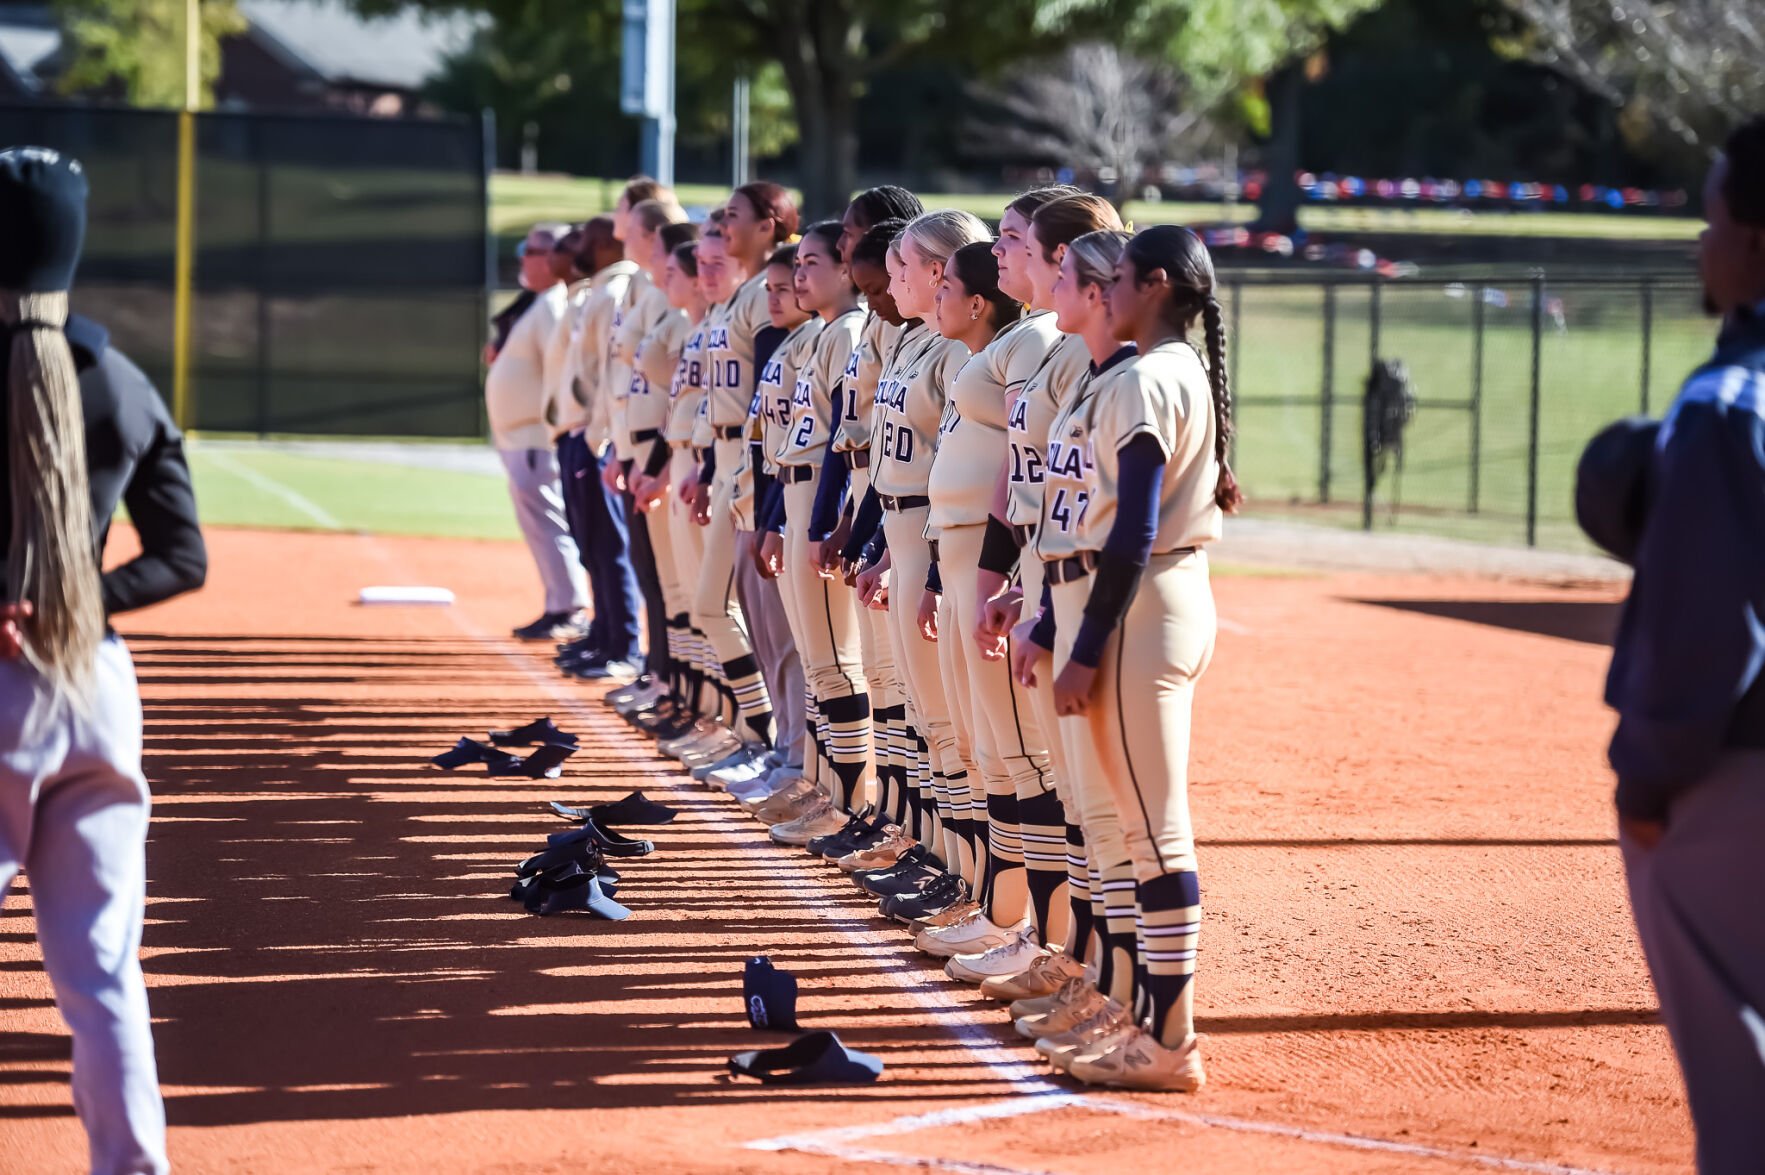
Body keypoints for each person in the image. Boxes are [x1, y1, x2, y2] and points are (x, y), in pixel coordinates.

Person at [0, 145, 207, 1175]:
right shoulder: (120, 379)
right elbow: (183, 557)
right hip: (96, 688)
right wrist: (70, 606)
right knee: (102, 972)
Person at [1014, 223, 1239, 1091]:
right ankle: (1138, 1017)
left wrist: (1085, 644)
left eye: (1112, 279)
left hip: (1138, 610)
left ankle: (1170, 1041)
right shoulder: (1144, 371)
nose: (1100, 292)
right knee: (1129, 824)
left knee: (1152, 830)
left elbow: (1135, 528)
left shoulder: (1149, 375)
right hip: (1129, 605)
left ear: (1150, 284)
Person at [1588, 115, 1765, 1174]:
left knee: (1742, 1103)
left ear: (1752, 244)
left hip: (1735, 784)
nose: (1701, 245)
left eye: (1711, 221)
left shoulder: (1727, 400)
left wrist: (1643, 778)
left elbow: (1703, 627)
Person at [486, 221, 589, 640]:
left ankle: (569, 607)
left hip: (534, 437)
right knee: (539, 521)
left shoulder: (552, 305)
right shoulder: (540, 302)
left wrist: (550, 426)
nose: (522, 257)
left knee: (548, 522)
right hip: (521, 436)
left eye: (530, 250)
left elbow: (561, 370)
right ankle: (559, 603)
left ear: (551, 258)